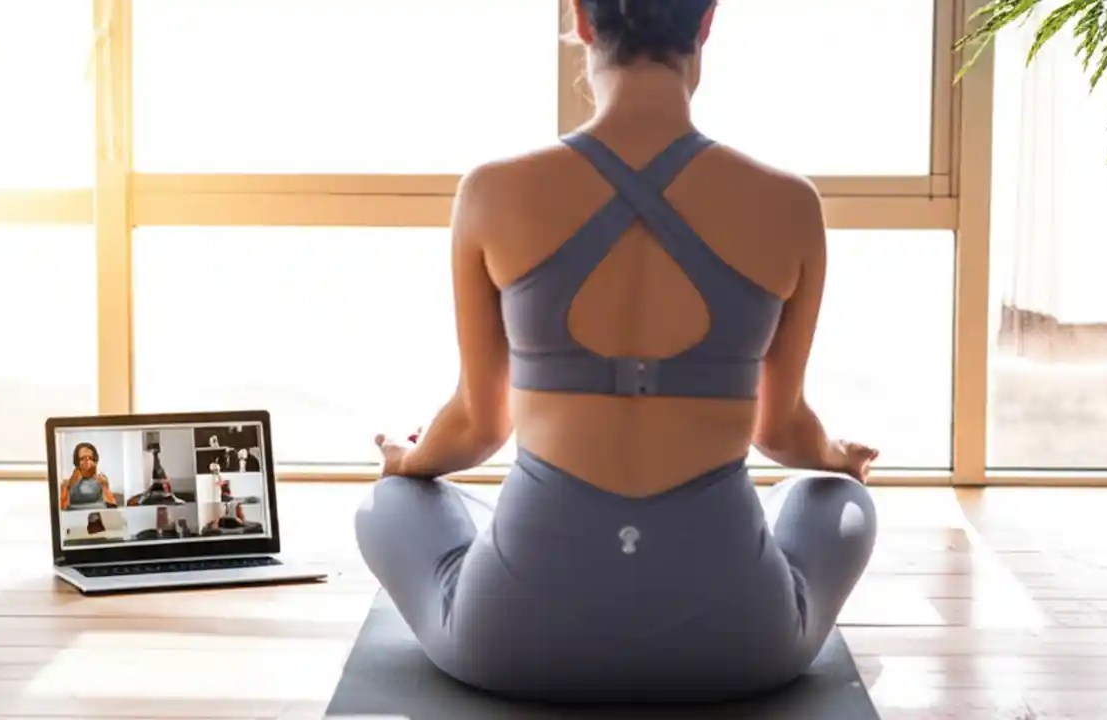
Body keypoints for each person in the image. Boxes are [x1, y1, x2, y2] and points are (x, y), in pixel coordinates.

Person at [355, 0, 879, 704]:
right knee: (831, 496)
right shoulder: (790, 204)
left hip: (514, 641)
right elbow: (780, 431)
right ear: (706, 22)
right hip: (738, 644)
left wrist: (405, 461)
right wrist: (837, 457)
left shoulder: (492, 191)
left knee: (390, 504)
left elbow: (479, 427)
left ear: (581, 19)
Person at [59, 442, 118, 510]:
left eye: (90, 458)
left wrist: (105, 487)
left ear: (95, 461)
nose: (86, 461)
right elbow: (61, 509)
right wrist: (69, 486)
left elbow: (113, 507)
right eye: (82, 458)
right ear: (77, 462)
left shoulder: (101, 481)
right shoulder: (67, 483)